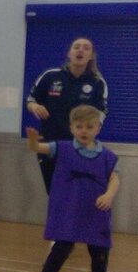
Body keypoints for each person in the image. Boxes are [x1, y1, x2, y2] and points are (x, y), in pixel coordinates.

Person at [23, 105, 119, 272]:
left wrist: (109, 195)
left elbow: (115, 179)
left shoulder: (107, 156)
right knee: (60, 248)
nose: (84, 130)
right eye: (79, 126)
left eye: (89, 127)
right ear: (71, 128)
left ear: (98, 128)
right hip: (69, 210)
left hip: (95, 212)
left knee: (100, 251)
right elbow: (37, 148)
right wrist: (32, 140)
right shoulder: (62, 148)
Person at [26, 37, 107, 193]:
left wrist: (90, 131)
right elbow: (30, 99)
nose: (81, 50)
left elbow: (101, 113)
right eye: (76, 47)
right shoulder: (50, 76)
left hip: (80, 148)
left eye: (86, 48)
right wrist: (34, 106)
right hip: (50, 144)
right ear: (69, 53)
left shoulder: (97, 83)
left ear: (91, 56)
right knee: (53, 192)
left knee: (76, 194)